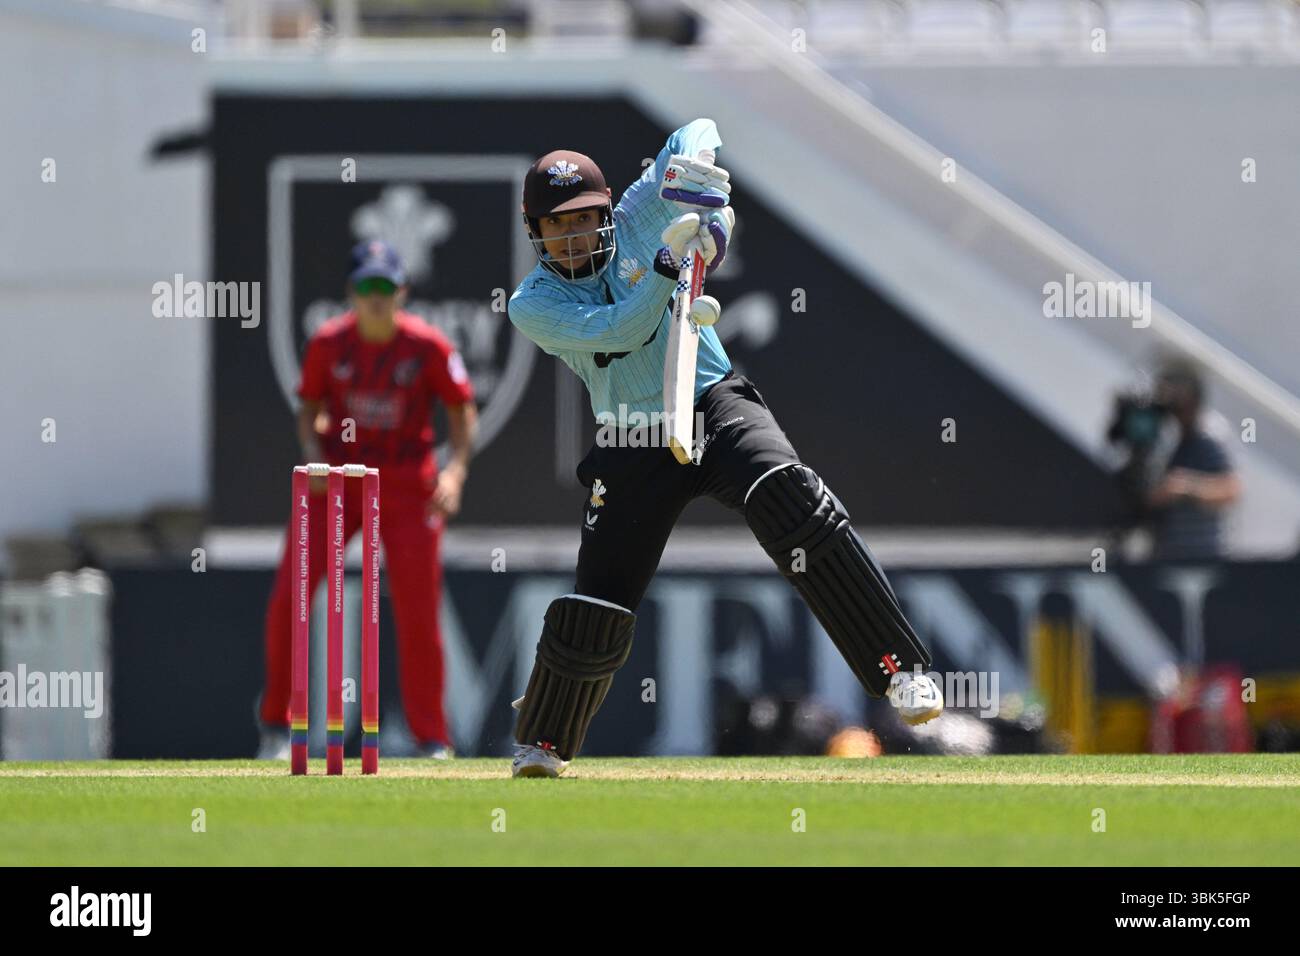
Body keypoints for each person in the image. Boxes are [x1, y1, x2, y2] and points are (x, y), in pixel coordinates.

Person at [504, 118, 944, 778]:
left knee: (792, 500)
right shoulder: (533, 303)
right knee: (601, 598)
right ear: (534, 233)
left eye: (583, 218)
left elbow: (697, 129)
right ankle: (543, 742)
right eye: (556, 225)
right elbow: (621, 329)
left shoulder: (640, 210)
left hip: (712, 397)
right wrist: (671, 267)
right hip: (632, 433)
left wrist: (702, 191)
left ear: (605, 211)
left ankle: (901, 673)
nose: (572, 236)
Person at [257, 240, 478, 760]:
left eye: (385, 287)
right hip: (334, 482)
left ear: (402, 291)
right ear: (351, 293)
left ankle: (430, 737)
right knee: (290, 597)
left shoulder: (427, 346)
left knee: (419, 610)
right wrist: (312, 453)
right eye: (366, 287)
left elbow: (462, 409)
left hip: (405, 483)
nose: (376, 298)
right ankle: (275, 727)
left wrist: (456, 473)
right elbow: (308, 407)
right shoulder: (328, 345)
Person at [1145, 362, 1241, 560]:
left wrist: (1185, 488)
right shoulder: (1169, 441)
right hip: (1169, 555)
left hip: (1202, 556)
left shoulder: (1209, 437)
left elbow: (1231, 489)